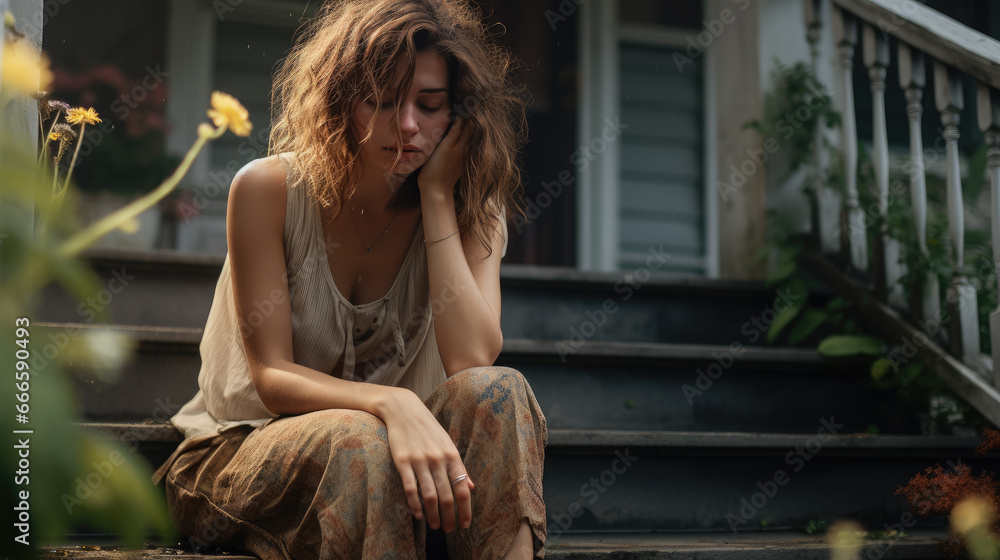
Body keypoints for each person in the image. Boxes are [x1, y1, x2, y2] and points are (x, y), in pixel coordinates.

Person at [150, 1, 548, 558]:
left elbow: (473, 358)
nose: (407, 126)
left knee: (500, 391)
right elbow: (270, 376)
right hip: (243, 451)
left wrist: (436, 198)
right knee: (362, 443)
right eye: (380, 102)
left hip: (407, 473)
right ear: (342, 102)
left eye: (429, 106)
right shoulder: (268, 190)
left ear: (459, 117)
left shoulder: (473, 212)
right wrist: (390, 403)